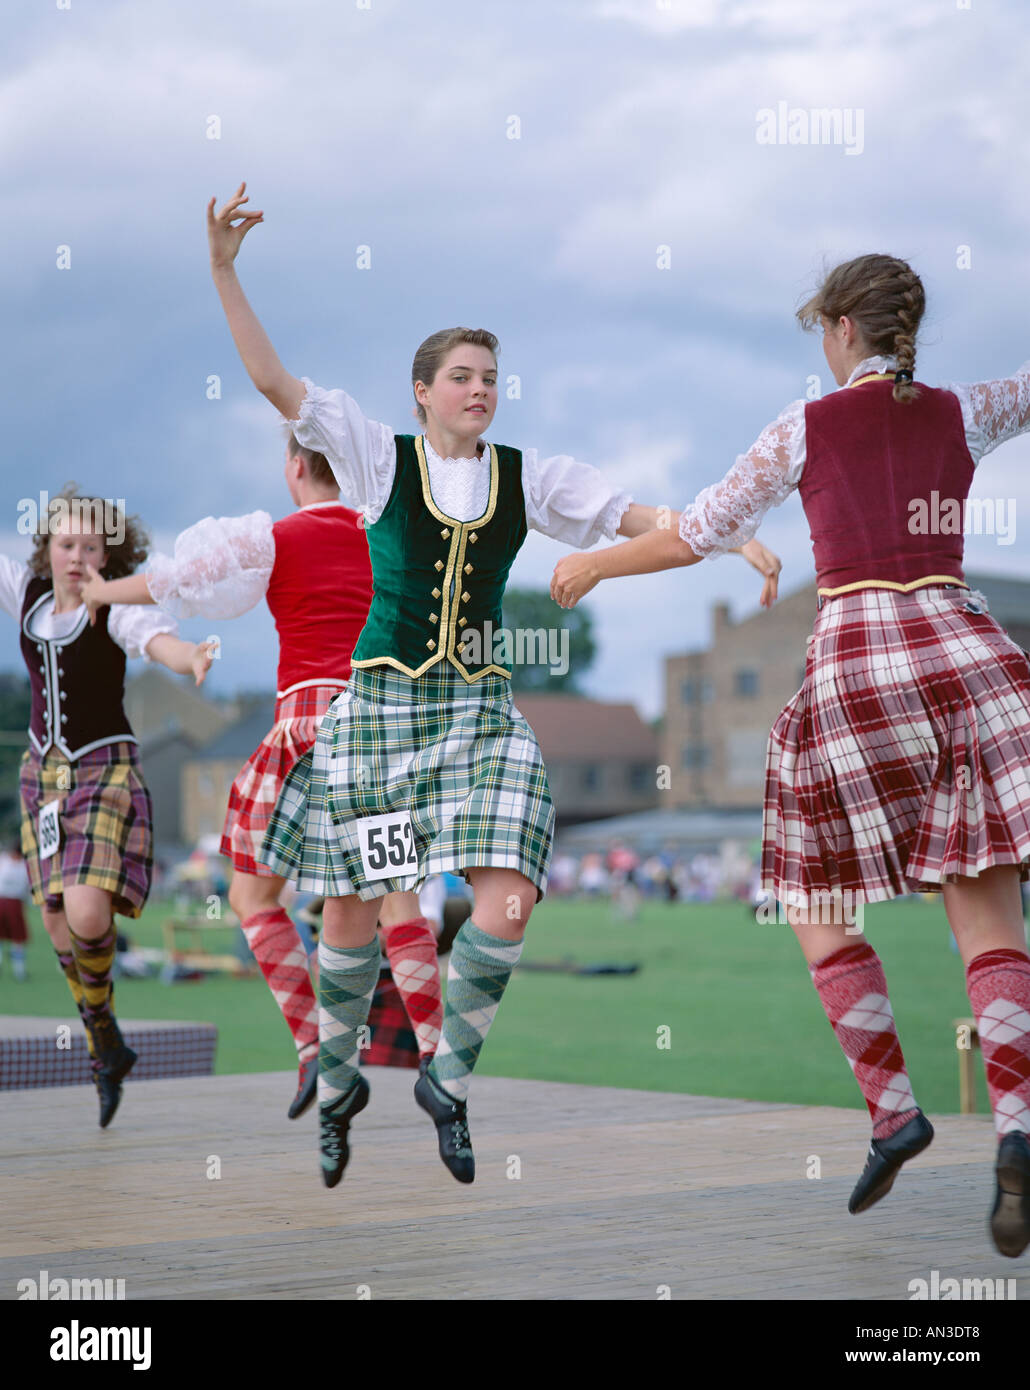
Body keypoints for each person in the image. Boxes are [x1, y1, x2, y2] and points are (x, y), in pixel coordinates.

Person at [205, 182, 781, 1188]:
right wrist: (224, 267)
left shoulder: (531, 476)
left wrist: (731, 535)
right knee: (348, 915)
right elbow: (272, 381)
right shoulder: (376, 458)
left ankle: (448, 1081)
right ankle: (336, 1087)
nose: (480, 389)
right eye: (462, 377)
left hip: (478, 711)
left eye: (490, 377)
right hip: (379, 711)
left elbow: (641, 515)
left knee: (509, 897)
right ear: (422, 390)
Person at [551, 252, 1030, 1257]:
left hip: (854, 661)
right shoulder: (969, 408)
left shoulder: (800, 427)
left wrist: (596, 558)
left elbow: (692, 534)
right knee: (987, 915)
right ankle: (1019, 1129)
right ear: (908, 329)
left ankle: (894, 1110)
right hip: (965, 653)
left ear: (841, 331)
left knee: (814, 901)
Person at [81, 445, 440, 1119]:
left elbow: (176, 583)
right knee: (400, 905)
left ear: (295, 468)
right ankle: (438, 1063)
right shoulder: (393, 540)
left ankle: (314, 1050)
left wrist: (100, 591)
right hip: (383, 737)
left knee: (250, 895)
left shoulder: (274, 538)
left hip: (306, 729)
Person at [1, 486, 215, 1126]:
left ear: (107, 554)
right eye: (66, 544)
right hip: (43, 775)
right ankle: (105, 1042)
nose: (76, 556)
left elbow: (155, 639)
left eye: (90, 547)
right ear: (48, 548)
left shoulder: (116, 609)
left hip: (102, 769)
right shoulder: (27, 594)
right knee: (59, 924)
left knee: (90, 914)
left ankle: (103, 1038)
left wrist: (189, 658)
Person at [0, 841, 30, 980]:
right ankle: (19, 971)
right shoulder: (24, 866)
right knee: (17, 939)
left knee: (17, 939)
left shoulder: (6, 861)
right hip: (11, 903)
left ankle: (19, 970)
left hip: (11, 902)